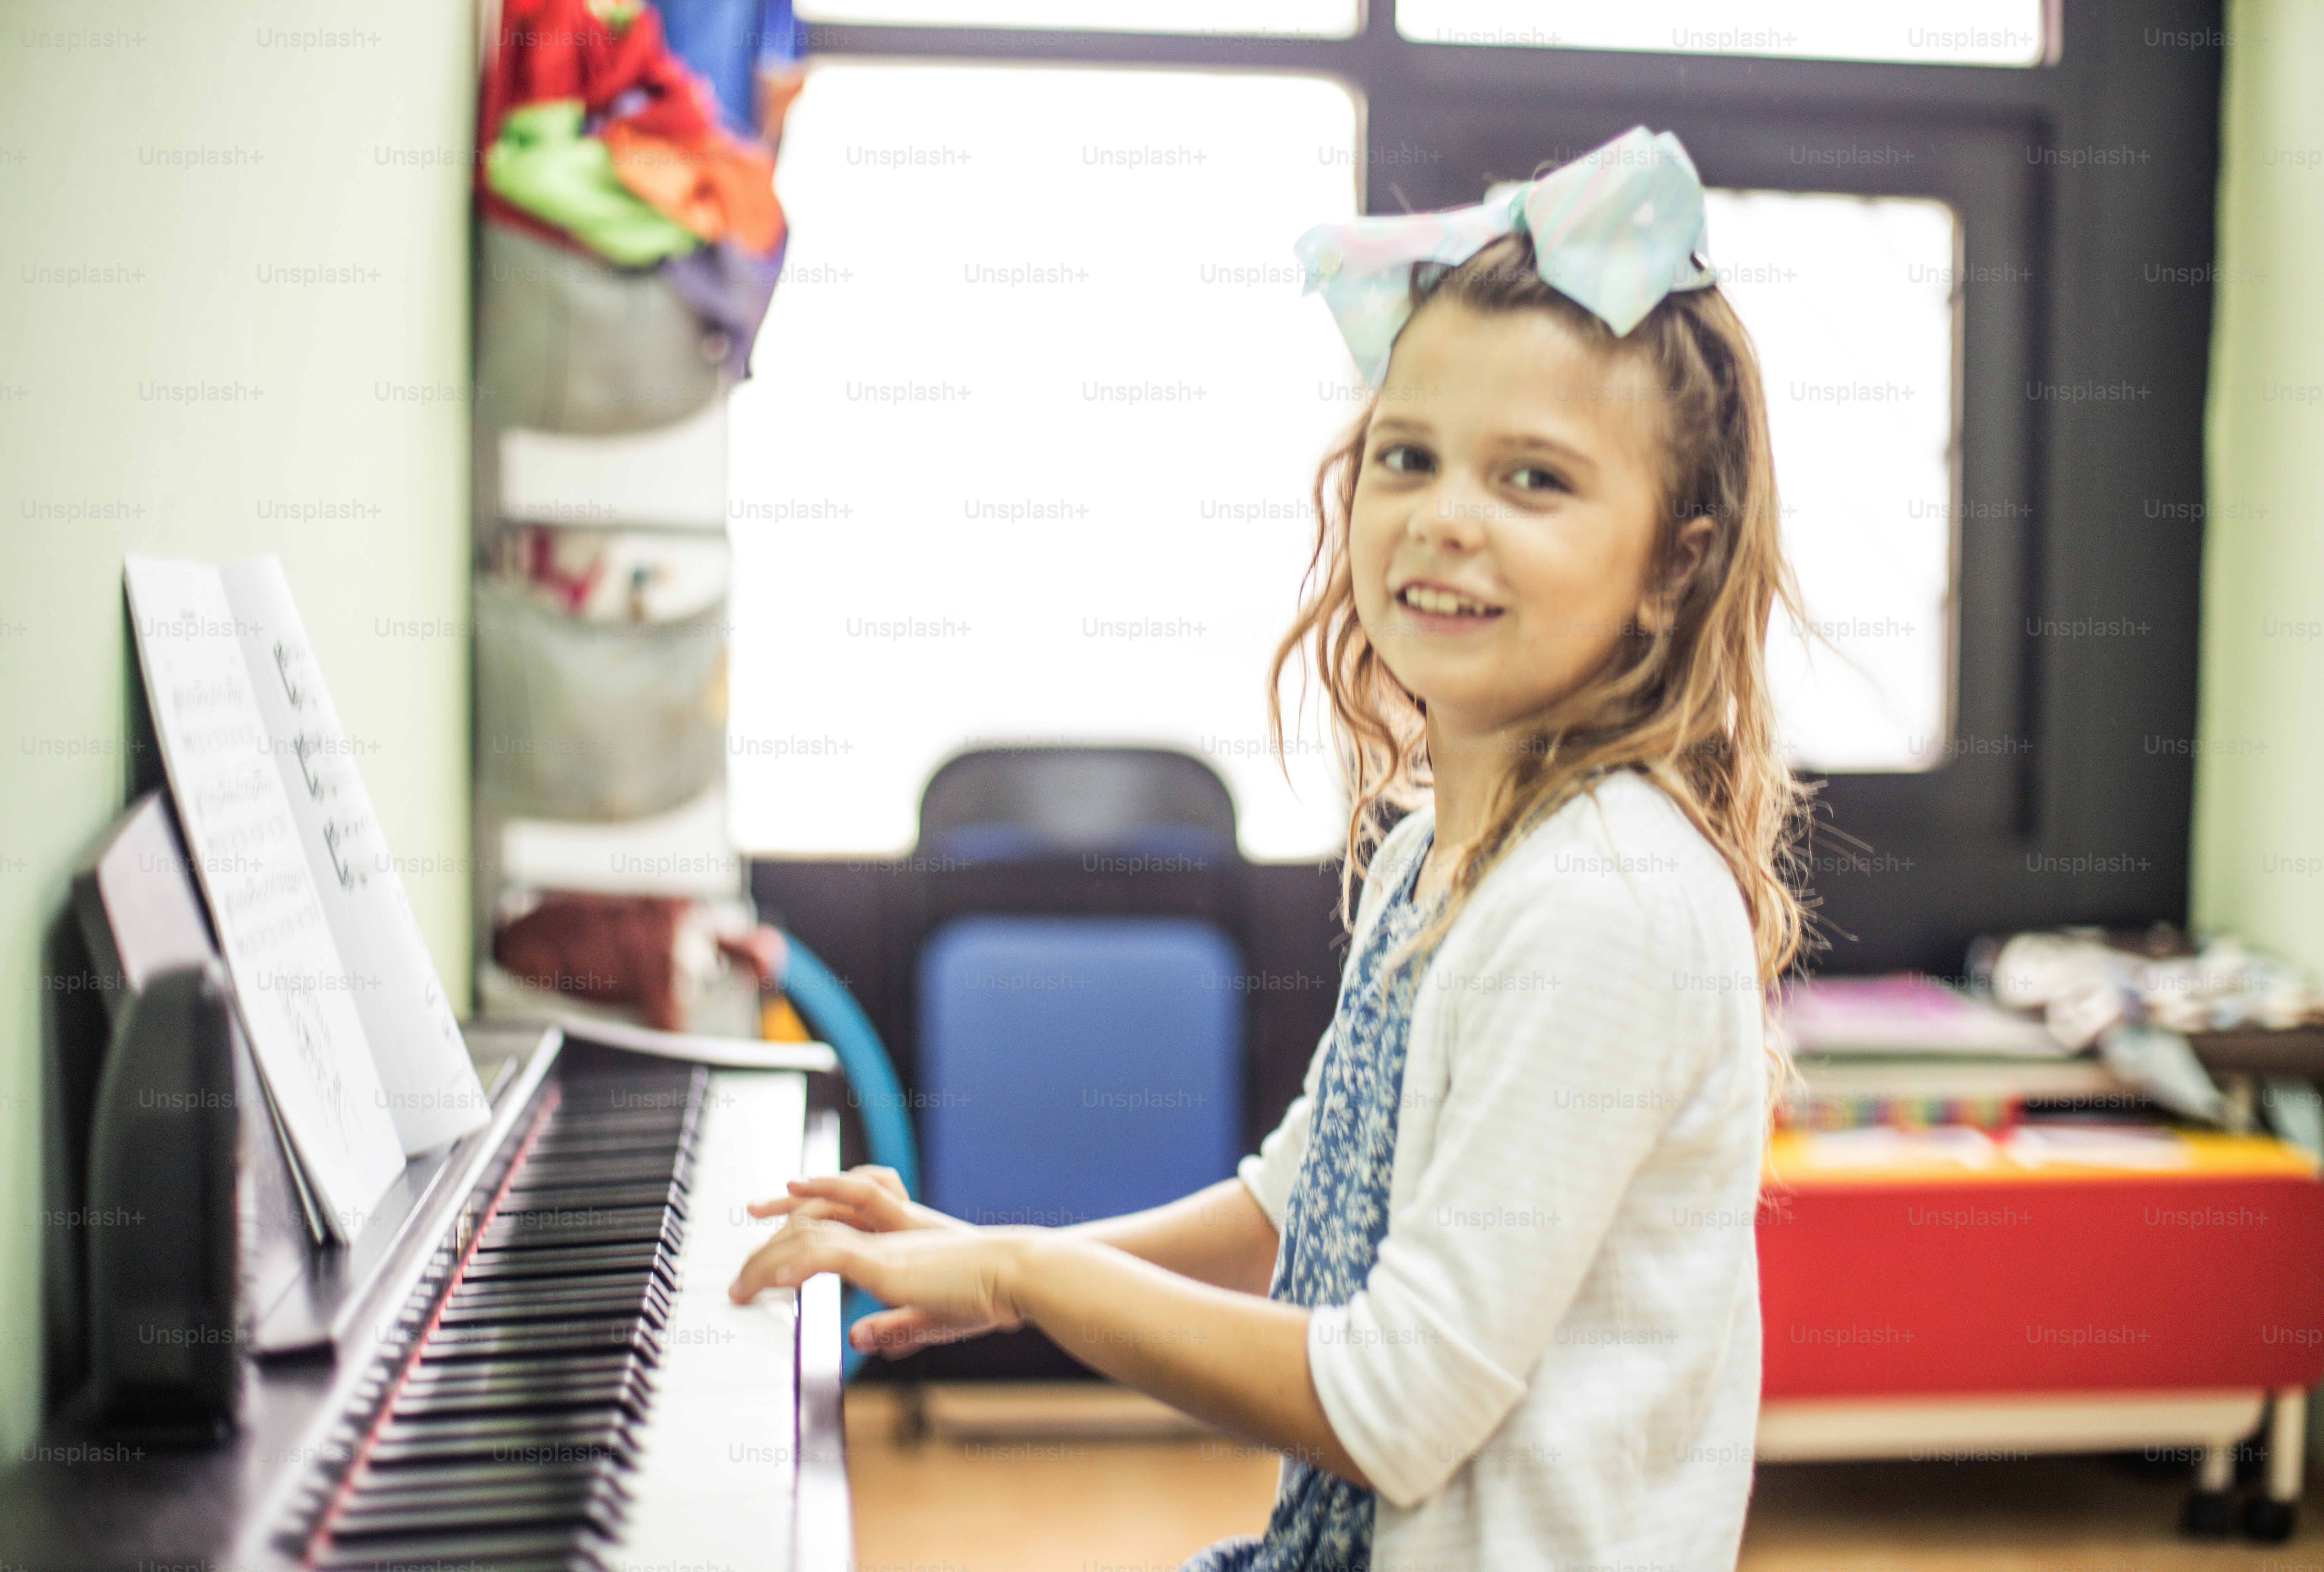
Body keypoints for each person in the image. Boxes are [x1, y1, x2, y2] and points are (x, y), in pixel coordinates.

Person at [728, 125, 1810, 1569]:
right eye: (1406, 456)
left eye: (1533, 480)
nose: (1444, 517)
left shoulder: (1602, 901)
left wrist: (1023, 1273)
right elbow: (1280, 1209)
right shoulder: (1439, 857)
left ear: (1675, 562)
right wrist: (972, 1255)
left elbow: (1389, 1408)